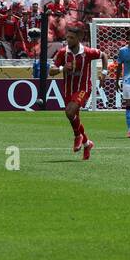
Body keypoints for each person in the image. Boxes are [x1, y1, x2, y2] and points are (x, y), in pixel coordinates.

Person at [51, 23, 102, 160]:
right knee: (72, 117)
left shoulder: (87, 52)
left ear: (78, 38)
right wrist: (62, 69)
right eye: (67, 37)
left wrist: (104, 72)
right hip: (68, 90)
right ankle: (87, 143)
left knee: (69, 112)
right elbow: (51, 71)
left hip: (83, 88)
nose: (69, 40)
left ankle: (77, 136)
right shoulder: (62, 52)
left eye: (72, 38)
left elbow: (104, 55)